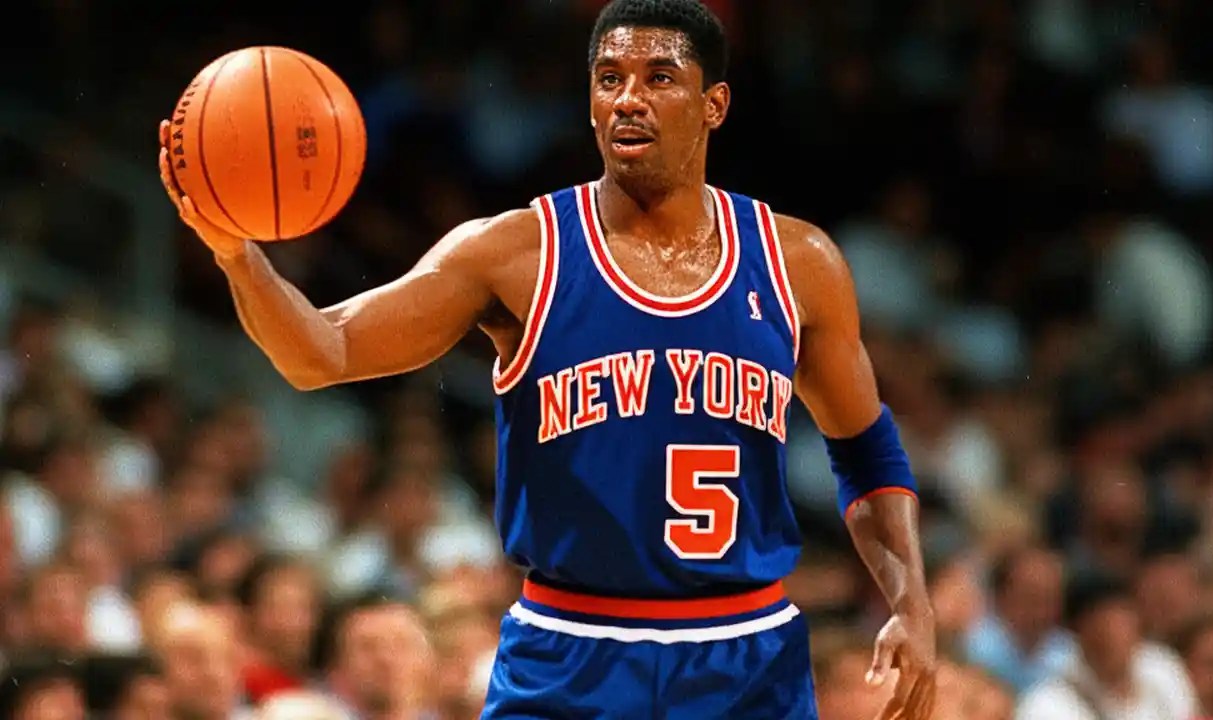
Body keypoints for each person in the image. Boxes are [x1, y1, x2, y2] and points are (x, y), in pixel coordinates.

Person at [156, 0, 936, 716]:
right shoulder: (514, 254)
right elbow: (321, 353)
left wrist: (911, 602)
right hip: (569, 649)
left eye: (659, 77)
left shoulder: (796, 261)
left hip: (745, 653)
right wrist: (238, 256)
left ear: (714, 105)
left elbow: (865, 451)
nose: (627, 97)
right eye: (608, 78)